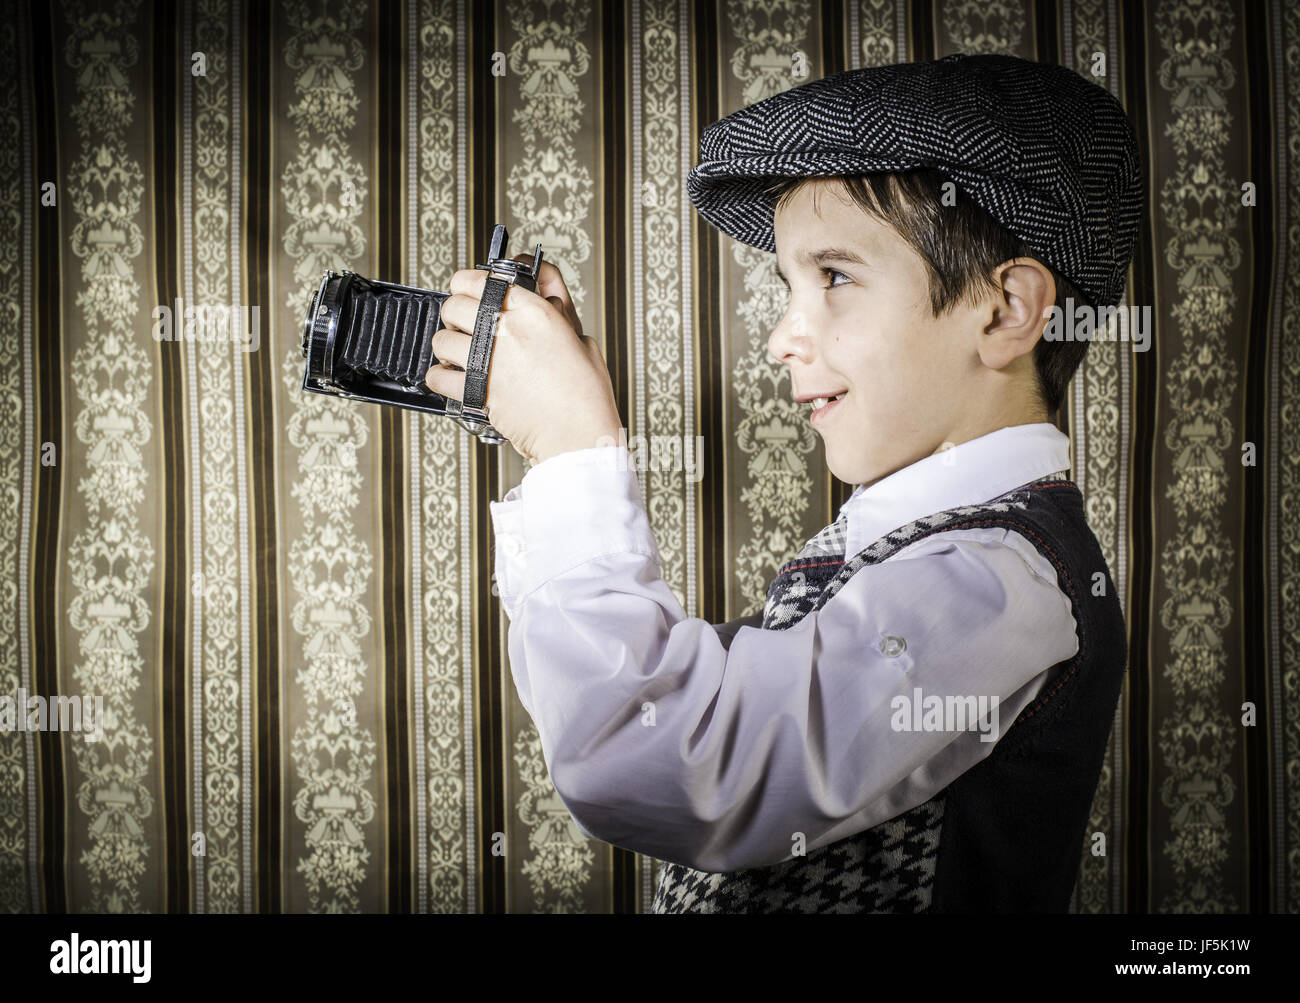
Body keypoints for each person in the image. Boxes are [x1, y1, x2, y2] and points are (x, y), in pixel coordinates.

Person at [424, 52, 1142, 913]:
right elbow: (714, 695)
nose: (781, 338)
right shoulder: (898, 548)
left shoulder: (1000, 581)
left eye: (834, 277)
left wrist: (576, 447)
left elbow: (688, 761)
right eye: (788, 285)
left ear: (1006, 311)